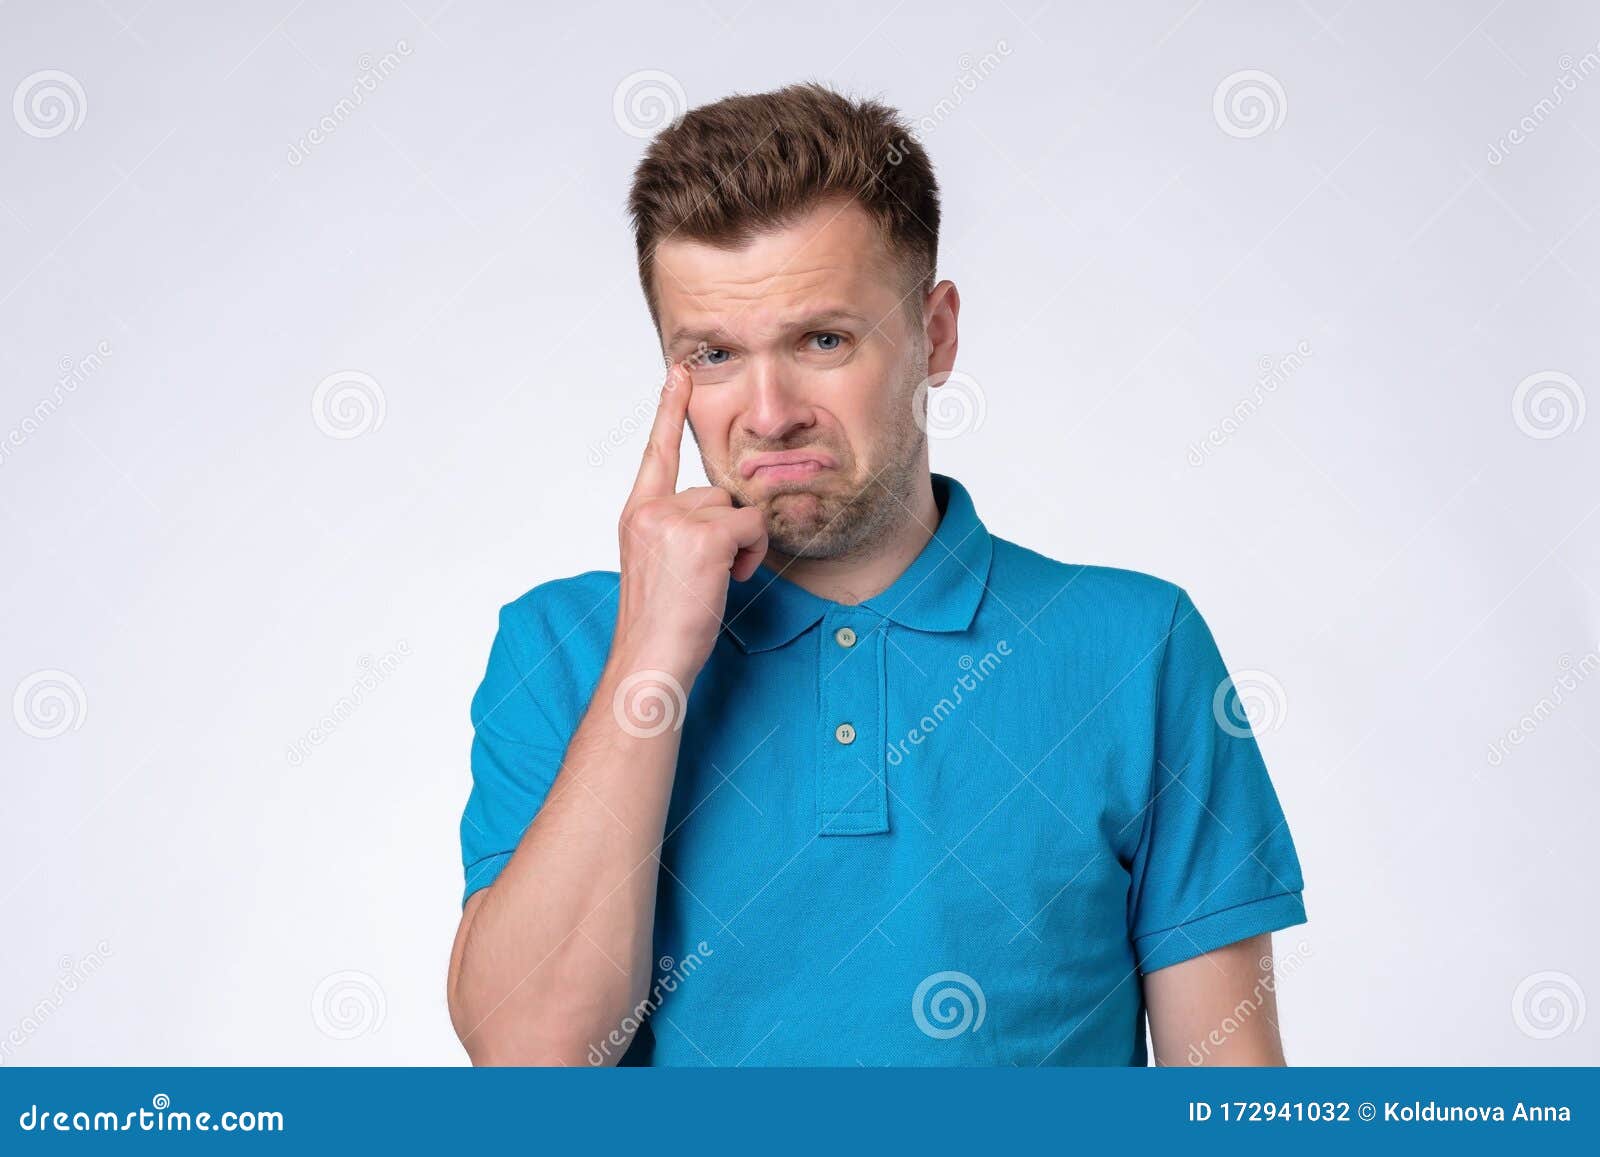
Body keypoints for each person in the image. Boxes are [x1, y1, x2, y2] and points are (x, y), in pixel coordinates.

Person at [446, 82, 1306, 1066]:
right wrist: (651, 655)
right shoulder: (562, 648)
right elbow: (529, 1060)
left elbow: (1229, 1098)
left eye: (823, 341)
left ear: (934, 335)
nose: (770, 414)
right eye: (713, 353)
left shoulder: (1134, 645)